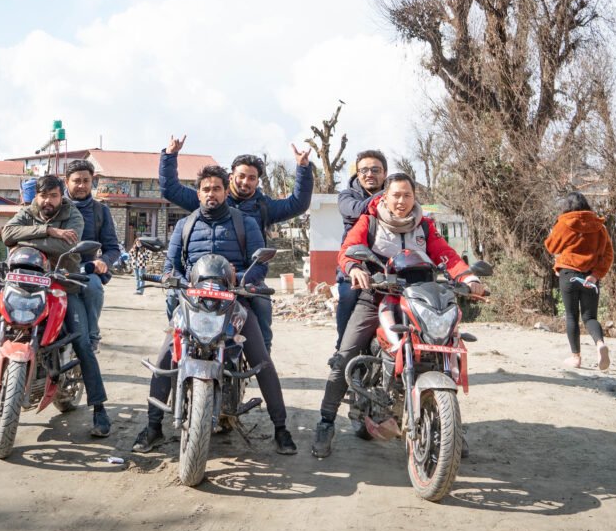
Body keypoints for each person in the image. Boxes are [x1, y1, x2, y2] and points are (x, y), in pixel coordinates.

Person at [311, 172, 481, 459]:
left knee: (443, 347)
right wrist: (354, 268)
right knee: (346, 353)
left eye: (407, 195)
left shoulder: (425, 226)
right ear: (385, 197)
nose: (402, 201)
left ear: (415, 198)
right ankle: (326, 423)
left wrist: (467, 276)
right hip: (376, 294)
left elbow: (446, 256)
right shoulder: (370, 220)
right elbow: (348, 249)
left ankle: (450, 426)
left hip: (418, 297)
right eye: (396, 195)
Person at [132, 165, 297, 456]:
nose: (211, 193)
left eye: (217, 188)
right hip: (193, 303)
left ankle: (281, 429)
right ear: (198, 193)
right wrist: (176, 281)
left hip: (233, 302)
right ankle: (153, 426)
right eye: (206, 189)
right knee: (167, 355)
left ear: (225, 190)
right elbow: (172, 266)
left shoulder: (245, 223)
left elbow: (260, 266)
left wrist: (241, 277)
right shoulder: (184, 226)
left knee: (260, 358)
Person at [0, 175, 112, 438]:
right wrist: (48, 231)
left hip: (62, 285)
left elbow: (66, 244)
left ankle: (99, 409)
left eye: (53, 196)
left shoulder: (74, 216)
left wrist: (25, 240)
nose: (47, 200)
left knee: (82, 342)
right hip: (22, 284)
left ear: (61, 196)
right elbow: (6, 235)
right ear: (36, 196)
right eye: (43, 195)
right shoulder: (28, 211)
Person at [159, 135, 315, 349]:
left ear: (257, 181)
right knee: (172, 298)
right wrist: (170, 156)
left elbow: (297, 204)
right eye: (241, 176)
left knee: (262, 305)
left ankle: (263, 355)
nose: (245, 182)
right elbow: (171, 190)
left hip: (244, 277)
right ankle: (178, 345)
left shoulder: (263, 206)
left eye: (251, 178)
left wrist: (303, 169)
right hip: (200, 278)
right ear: (230, 177)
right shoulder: (212, 197)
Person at [544, 192, 614, 371]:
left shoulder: (564, 223)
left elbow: (551, 247)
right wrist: (596, 274)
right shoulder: (599, 227)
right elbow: (608, 255)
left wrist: (554, 232)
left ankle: (576, 357)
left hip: (568, 274)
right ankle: (600, 344)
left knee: (571, 316)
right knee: (590, 317)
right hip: (590, 276)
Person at [63, 158, 122, 351]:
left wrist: (103, 261)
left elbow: (112, 247)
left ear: (92, 182)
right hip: (54, 269)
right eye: (76, 180)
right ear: (66, 181)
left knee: (94, 286)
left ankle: (92, 335)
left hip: (84, 270)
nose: (81, 185)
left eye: (86, 181)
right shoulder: (55, 204)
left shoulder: (100, 211)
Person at [334, 149, 388, 350]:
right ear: (357, 174)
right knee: (348, 295)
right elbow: (357, 210)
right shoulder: (346, 196)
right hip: (353, 263)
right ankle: (342, 349)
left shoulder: (396, 196)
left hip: (388, 266)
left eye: (375, 169)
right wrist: (387, 194)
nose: (369, 174)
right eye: (363, 170)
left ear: (384, 173)